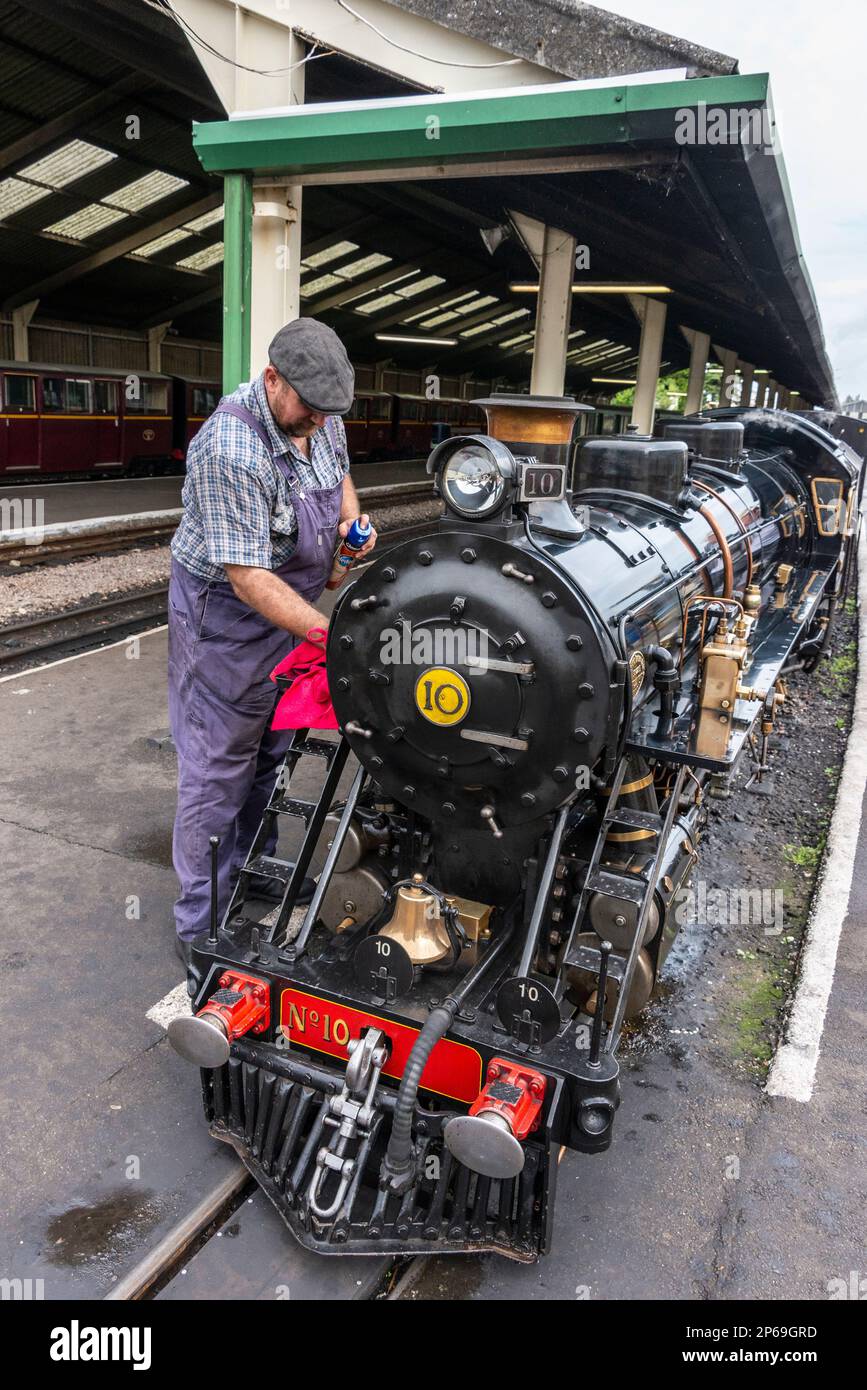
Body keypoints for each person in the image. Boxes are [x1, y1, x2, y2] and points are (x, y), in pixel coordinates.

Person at [167, 318, 376, 964]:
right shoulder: (231, 447)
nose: (319, 422)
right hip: (226, 619)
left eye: (328, 413)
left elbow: (337, 473)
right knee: (217, 767)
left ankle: (251, 866)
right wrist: (331, 633)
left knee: (271, 750)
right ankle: (199, 923)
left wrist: (350, 522)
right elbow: (249, 576)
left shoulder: (321, 417)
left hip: (289, 613)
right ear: (271, 380)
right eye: (308, 410)